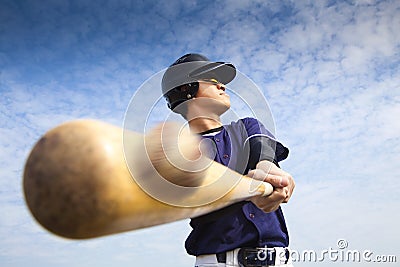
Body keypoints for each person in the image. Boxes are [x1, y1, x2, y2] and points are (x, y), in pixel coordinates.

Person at [161, 53, 295, 267]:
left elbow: (263, 154)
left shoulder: (247, 127)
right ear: (186, 88)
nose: (222, 85)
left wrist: (270, 173)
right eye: (212, 80)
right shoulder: (179, 151)